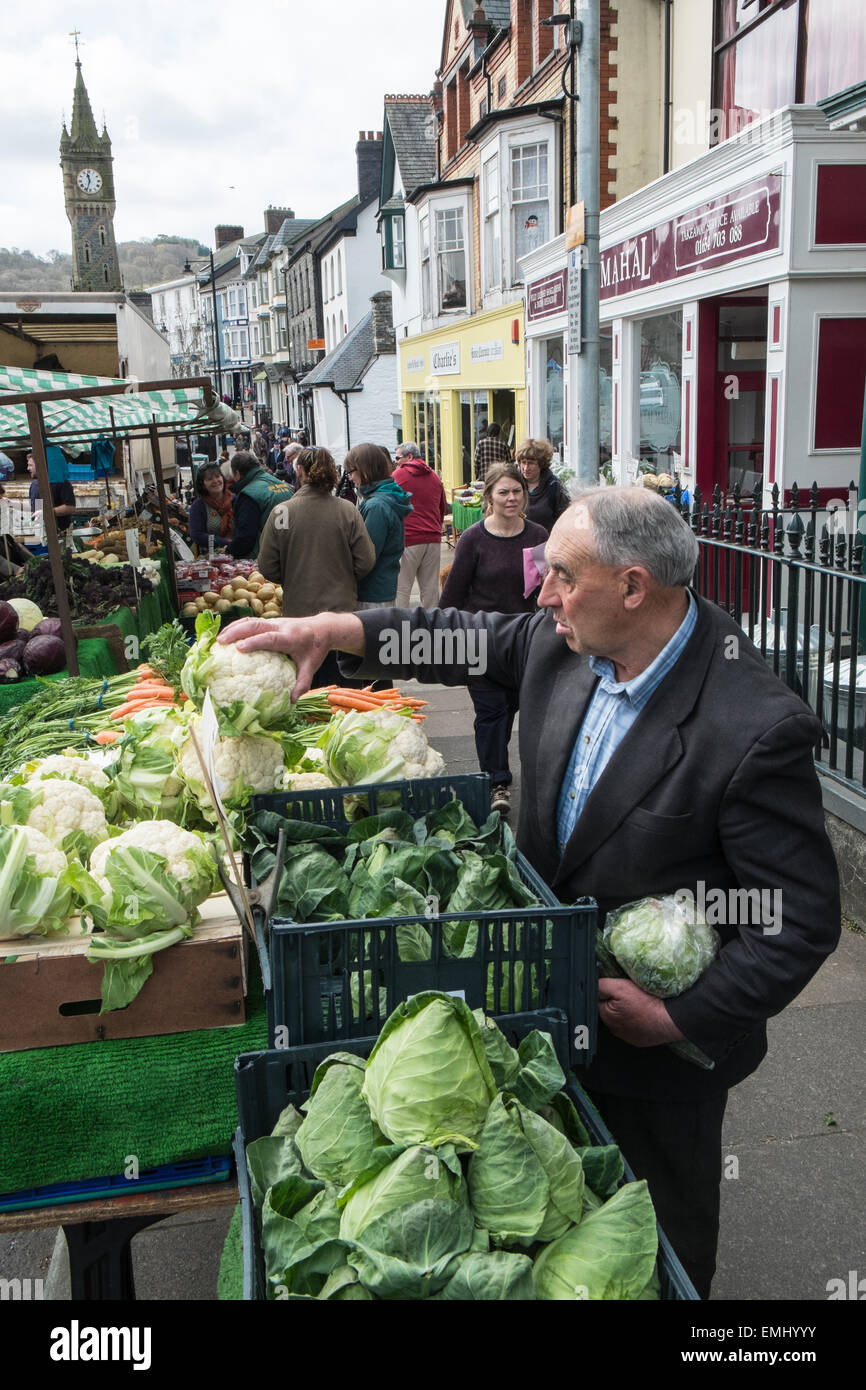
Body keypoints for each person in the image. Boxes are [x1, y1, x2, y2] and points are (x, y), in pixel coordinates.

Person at [218, 486, 841, 1300]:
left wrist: (675, 1017)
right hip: (539, 1009)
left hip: (654, 1057)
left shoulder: (753, 724)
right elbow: (464, 637)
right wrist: (331, 629)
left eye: (560, 577)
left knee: (656, 1241)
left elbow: (799, 920)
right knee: (547, 1228)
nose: (541, 594)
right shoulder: (567, 642)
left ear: (632, 585)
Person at [439, 463, 548, 816]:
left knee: (511, 710)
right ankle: (496, 783)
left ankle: (495, 771)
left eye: (516, 491)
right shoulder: (473, 538)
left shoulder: (537, 536)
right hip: (480, 640)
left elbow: (549, 589)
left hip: (523, 640)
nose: (511, 498)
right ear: (489, 498)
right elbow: (453, 595)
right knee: (491, 712)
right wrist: (444, 637)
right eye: (503, 492)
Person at [257, 447, 375, 687]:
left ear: (299, 471)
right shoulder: (346, 510)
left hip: (299, 617)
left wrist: (293, 574)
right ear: (333, 472)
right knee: (345, 694)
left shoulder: (282, 512)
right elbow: (366, 561)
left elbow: (267, 567)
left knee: (305, 692)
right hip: (341, 616)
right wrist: (344, 576)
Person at [344, 443, 412, 608]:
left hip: (372, 593)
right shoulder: (385, 496)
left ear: (365, 470)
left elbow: (366, 556)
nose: (350, 477)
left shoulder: (377, 506)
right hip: (381, 588)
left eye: (351, 472)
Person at [393, 441, 446, 608]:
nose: (396, 462)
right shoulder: (435, 477)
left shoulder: (398, 476)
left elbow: (390, 506)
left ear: (409, 457)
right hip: (432, 538)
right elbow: (442, 507)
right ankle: (434, 628)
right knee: (430, 590)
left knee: (402, 589)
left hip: (408, 538)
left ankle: (399, 629)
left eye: (398, 458)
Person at [226, 450, 294, 559]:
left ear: (237, 474)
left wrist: (228, 549)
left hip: (263, 561)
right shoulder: (285, 486)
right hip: (290, 555)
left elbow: (245, 540)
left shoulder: (249, 494)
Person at [516, 438, 571, 532]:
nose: (526, 468)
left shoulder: (554, 486)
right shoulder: (514, 484)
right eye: (523, 462)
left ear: (541, 464)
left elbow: (565, 519)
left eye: (531, 463)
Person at [187, 463, 234, 551]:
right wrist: (225, 542)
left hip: (240, 556)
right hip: (211, 558)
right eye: (210, 479)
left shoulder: (235, 500)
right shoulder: (198, 506)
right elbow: (197, 535)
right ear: (202, 484)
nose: (215, 481)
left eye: (217, 476)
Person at [26, 452, 76, 532]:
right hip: (40, 532)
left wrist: (48, 512)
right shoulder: (34, 485)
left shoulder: (62, 482)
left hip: (60, 532)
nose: (28, 468)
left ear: (40, 465)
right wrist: (11, 503)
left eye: (30, 465)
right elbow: (36, 508)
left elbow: (71, 507)